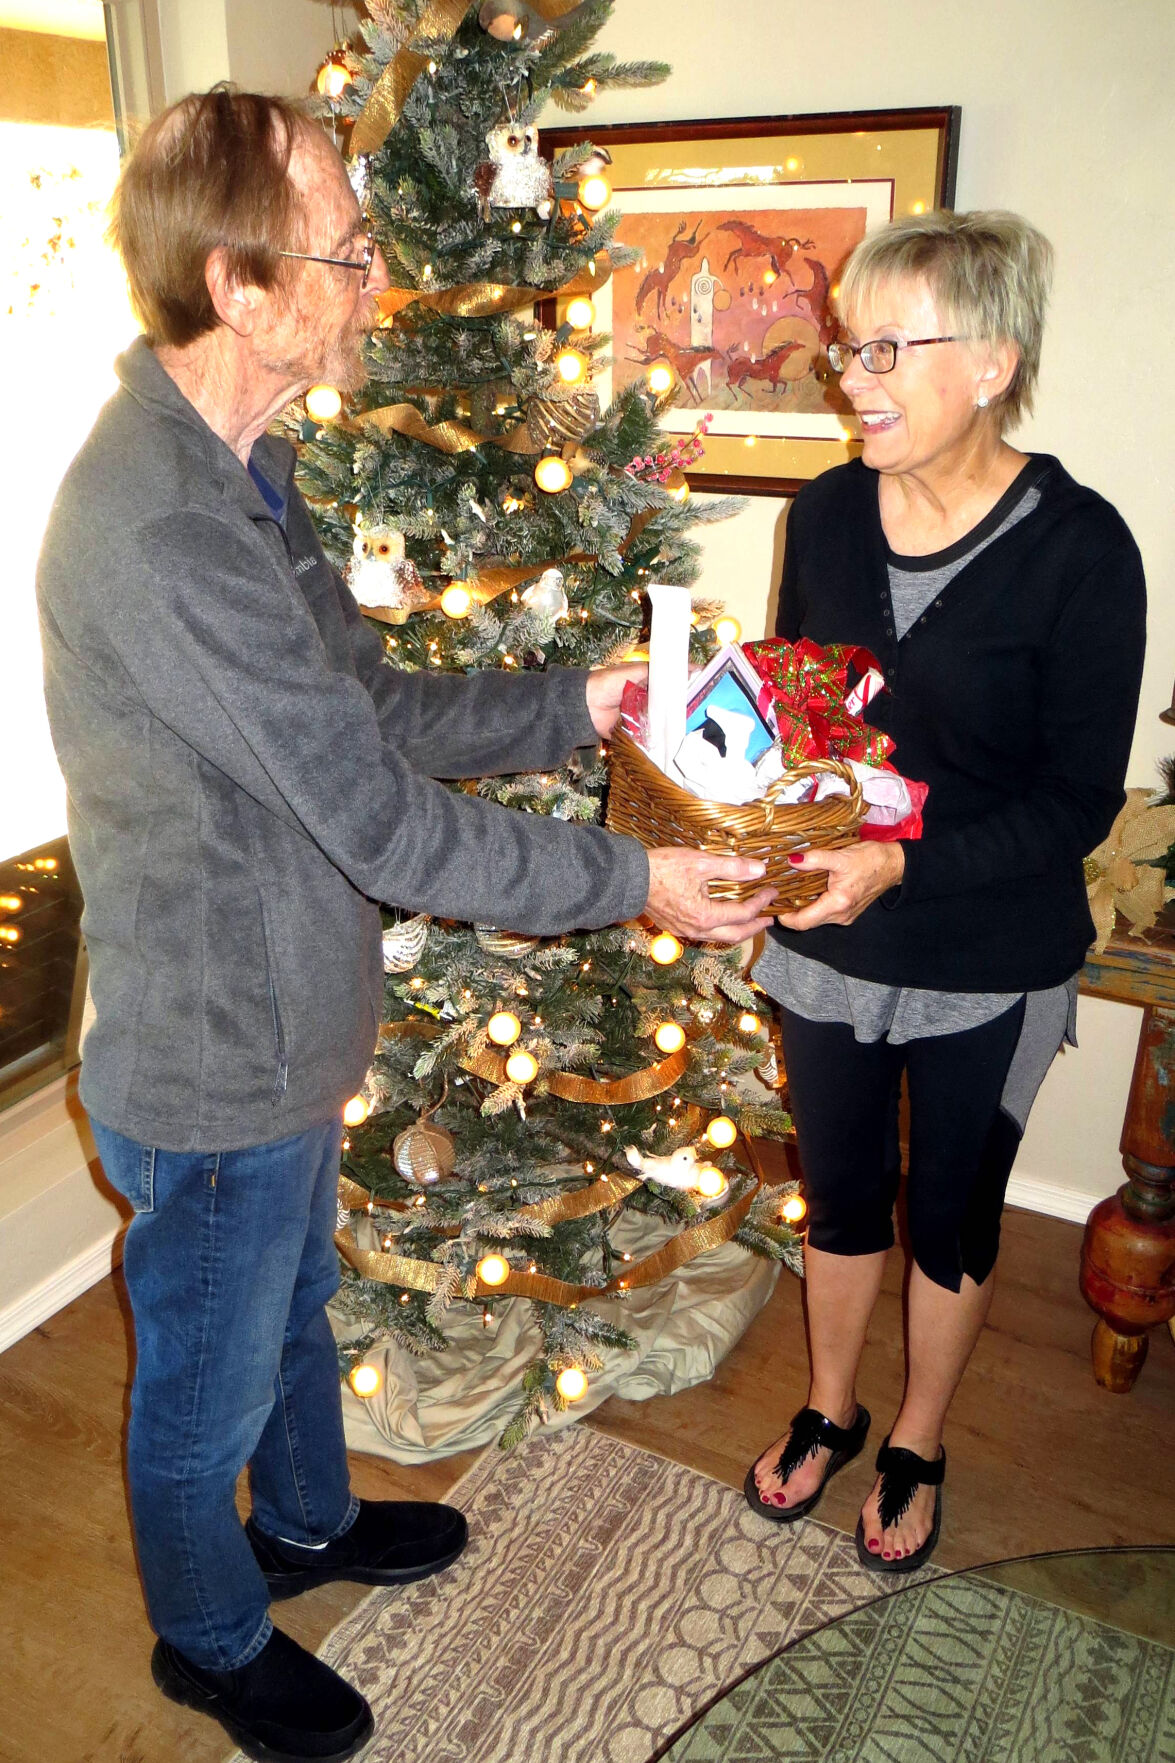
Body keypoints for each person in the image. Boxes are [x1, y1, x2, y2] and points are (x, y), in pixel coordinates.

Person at [36, 88, 774, 1763]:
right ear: (241, 286)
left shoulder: (245, 472)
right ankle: (212, 1639)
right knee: (198, 1391)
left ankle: (299, 1528)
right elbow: (375, 824)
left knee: (291, 1314)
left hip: (285, 1033)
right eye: (346, 252)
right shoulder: (158, 524)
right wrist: (640, 883)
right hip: (213, 1059)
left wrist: (576, 707)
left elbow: (370, 706)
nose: (374, 279)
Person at [744, 210, 1145, 1574]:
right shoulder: (827, 513)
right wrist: (760, 815)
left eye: (887, 350)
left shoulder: (1086, 550)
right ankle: (830, 1406)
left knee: (953, 1216)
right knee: (842, 1191)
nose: (851, 377)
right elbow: (811, 717)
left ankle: (918, 1433)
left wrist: (902, 865)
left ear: (991, 362)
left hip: (990, 940)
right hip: (831, 935)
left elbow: (1075, 804)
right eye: (850, 347)